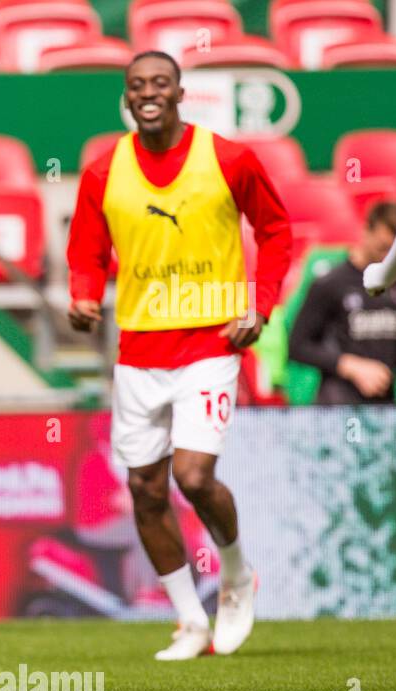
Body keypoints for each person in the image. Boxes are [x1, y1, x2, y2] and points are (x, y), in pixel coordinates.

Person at [66, 51, 292, 660]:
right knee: (144, 488)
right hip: (139, 350)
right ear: (126, 96)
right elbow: (86, 252)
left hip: (211, 342)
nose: (148, 93)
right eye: (137, 84)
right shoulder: (101, 171)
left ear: (179, 92)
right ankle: (191, 621)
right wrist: (84, 297)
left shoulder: (227, 158)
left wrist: (261, 306)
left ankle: (238, 575)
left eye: (159, 83)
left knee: (192, 475)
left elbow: (275, 232)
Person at [290, 201, 396, 404]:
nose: (387, 258)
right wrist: (350, 366)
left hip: (385, 408)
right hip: (339, 405)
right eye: (382, 248)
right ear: (366, 232)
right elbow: (298, 346)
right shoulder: (331, 283)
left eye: (395, 253)